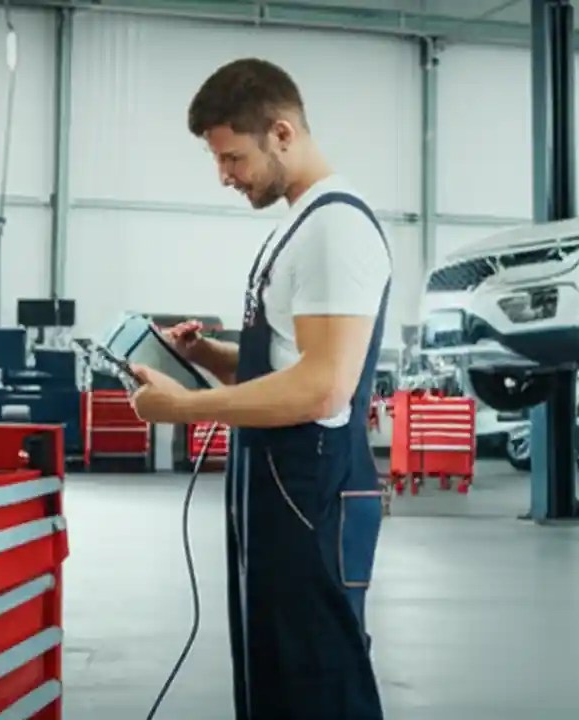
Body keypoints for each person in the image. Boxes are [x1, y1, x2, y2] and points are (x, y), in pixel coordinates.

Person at [127, 57, 391, 719]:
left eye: (232, 157)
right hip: (278, 489)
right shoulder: (298, 226)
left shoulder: (336, 230)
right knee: (277, 680)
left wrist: (185, 407)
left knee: (319, 683)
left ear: (281, 133)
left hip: (310, 495)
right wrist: (209, 356)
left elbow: (325, 386)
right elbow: (286, 365)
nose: (224, 177)